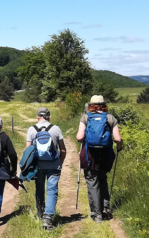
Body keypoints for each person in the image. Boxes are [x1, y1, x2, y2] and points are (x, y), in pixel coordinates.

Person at [76, 95, 124, 223]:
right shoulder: (110, 118)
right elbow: (118, 139)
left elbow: (79, 137)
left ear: (90, 105)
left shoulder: (86, 117)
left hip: (89, 155)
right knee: (103, 180)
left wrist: (88, 138)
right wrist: (119, 148)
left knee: (92, 183)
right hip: (106, 155)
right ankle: (105, 208)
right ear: (104, 105)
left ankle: (96, 214)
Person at [25, 108, 67, 230]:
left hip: (38, 165)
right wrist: (60, 162)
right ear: (49, 116)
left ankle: (40, 213)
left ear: (38, 117)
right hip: (54, 165)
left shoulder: (31, 129)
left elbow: (28, 151)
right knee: (52, 189)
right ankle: (48, 218)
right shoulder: (56, 129)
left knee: (39, 188)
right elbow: (63, 149)